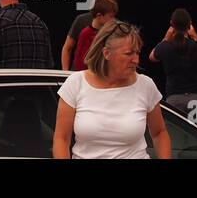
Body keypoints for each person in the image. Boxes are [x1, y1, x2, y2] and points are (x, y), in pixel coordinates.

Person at [54, 21, 171, 159]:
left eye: (137, 53)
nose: (136, 60)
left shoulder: (145, 85)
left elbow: (159, 133)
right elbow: (61, 139)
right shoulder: (75, 84)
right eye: (129, 54)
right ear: (107, 53)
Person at [149, 8, 197, 122]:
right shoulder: (196, 45)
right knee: (196, 137)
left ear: (171, 25)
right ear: (189, 25)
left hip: (175, 99)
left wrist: (166, 38)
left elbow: (152, 56)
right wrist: (195, 36)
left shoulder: (166, 47)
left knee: (174, 137)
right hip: (196, 98)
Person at [61, 0, 119, 69]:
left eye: (112, 2)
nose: (109, 5)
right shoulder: (82, 21)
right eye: (106, 1)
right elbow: (67, 48)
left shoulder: (116, 26)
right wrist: (66, 75)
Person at [72, 0, 117, 71]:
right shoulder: (85, 33)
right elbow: (78, 63)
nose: (113, 20)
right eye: (111, 16)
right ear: (99, 16)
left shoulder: (111, 33)